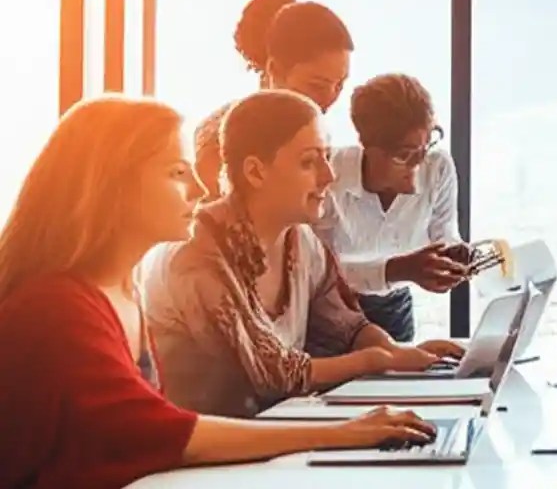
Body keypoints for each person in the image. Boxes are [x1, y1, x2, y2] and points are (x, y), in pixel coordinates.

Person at [0, 96, 433, 488]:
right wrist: (340, 433)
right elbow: (157, 432)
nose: (201, 189)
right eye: (177, 172)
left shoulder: (123, 293)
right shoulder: (57, 308)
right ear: (109, 183)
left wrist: (388, 359)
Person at [144, 90, 462, 418]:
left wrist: (399, 352)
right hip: (202, 442)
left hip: (272, 431)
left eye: (327, 157)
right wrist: (377, 360)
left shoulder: (301, 239)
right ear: (255, 172)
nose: (329, 176)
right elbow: (269, 375)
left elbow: (347, 327)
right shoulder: (197, 254)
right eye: (309, 162)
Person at [317, 73, 470, 341]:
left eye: (426, 146)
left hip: (396, 306)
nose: (418, 163)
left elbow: (444, 233)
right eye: (404, 154)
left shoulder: (437, 167)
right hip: (333, 311)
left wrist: (452, 255)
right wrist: (396, 270)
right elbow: (318, 273)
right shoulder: (330, 176)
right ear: (367, 145)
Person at [192, 0, 355, 199]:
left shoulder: (319, 140)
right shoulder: (223, 135)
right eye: (317, 86)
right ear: (275, 70)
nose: (330, 99)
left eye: (340, 85)